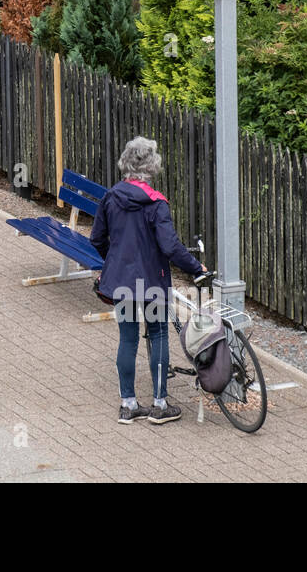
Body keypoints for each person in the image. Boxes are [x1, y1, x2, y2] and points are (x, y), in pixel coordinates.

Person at [89, 136, 206, 425]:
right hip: (152, 283)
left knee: (127, 339)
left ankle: (128, 405)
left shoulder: (111, 197)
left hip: (121, 283)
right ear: (152, 167)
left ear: (125, 163)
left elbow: (96, 238)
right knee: (159, 335)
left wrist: (113, 258)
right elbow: (170, 247)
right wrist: (196, 267)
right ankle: (159, 405)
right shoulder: (157, 203)